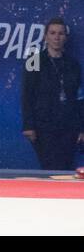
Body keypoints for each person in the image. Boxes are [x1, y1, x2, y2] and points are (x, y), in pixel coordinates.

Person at [21, 18, 83, 170]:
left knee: (66, 167)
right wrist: (28, 126)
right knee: (50, 166)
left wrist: (82, 128)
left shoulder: (73, 64)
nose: (57, 37)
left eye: (61, 33)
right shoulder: (34, 61)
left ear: (65, 38)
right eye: (53, 33)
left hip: (68, 125)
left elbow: (80, 98)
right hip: (43, 126)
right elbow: (27, 95)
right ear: (45, 36)